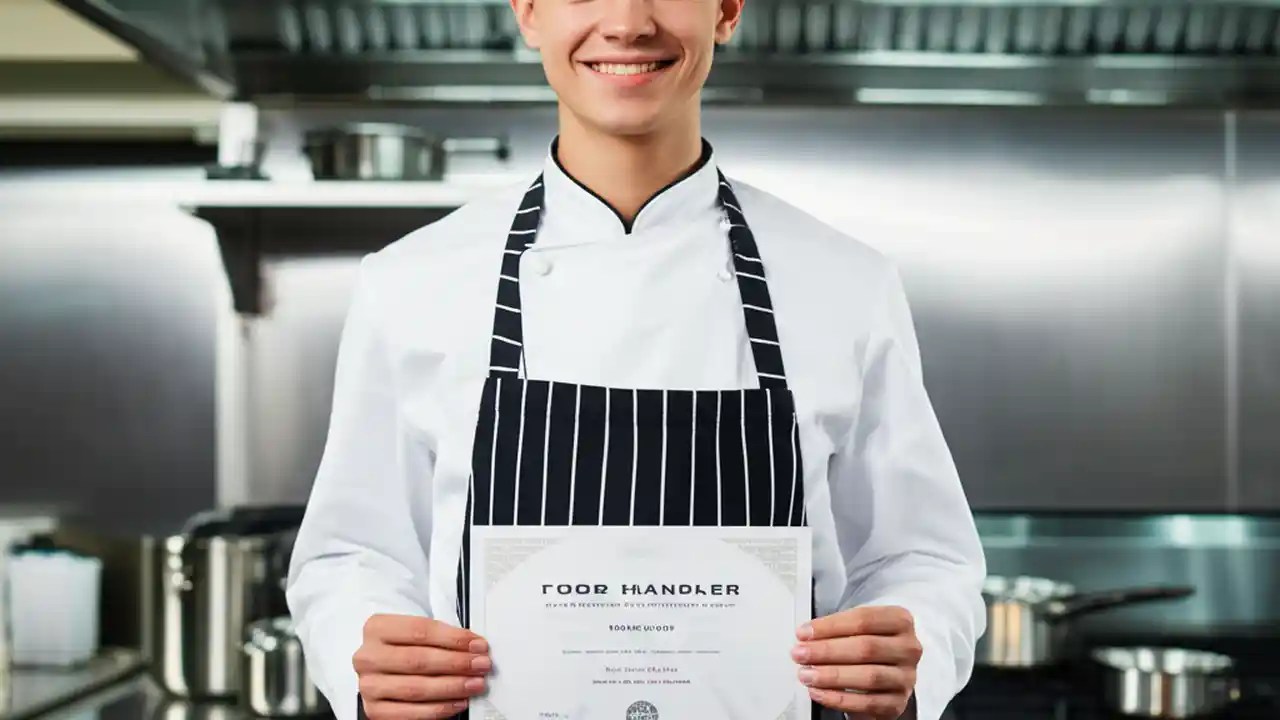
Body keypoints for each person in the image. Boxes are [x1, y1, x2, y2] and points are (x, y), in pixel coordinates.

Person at [284, 0, 988, 715]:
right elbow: (352, 556)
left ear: (727, 10)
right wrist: (368, 657)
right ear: (527, 11)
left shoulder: (846, 283)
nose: (626, 22)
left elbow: (922, 560)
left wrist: (907, 653)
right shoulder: (411, 282)